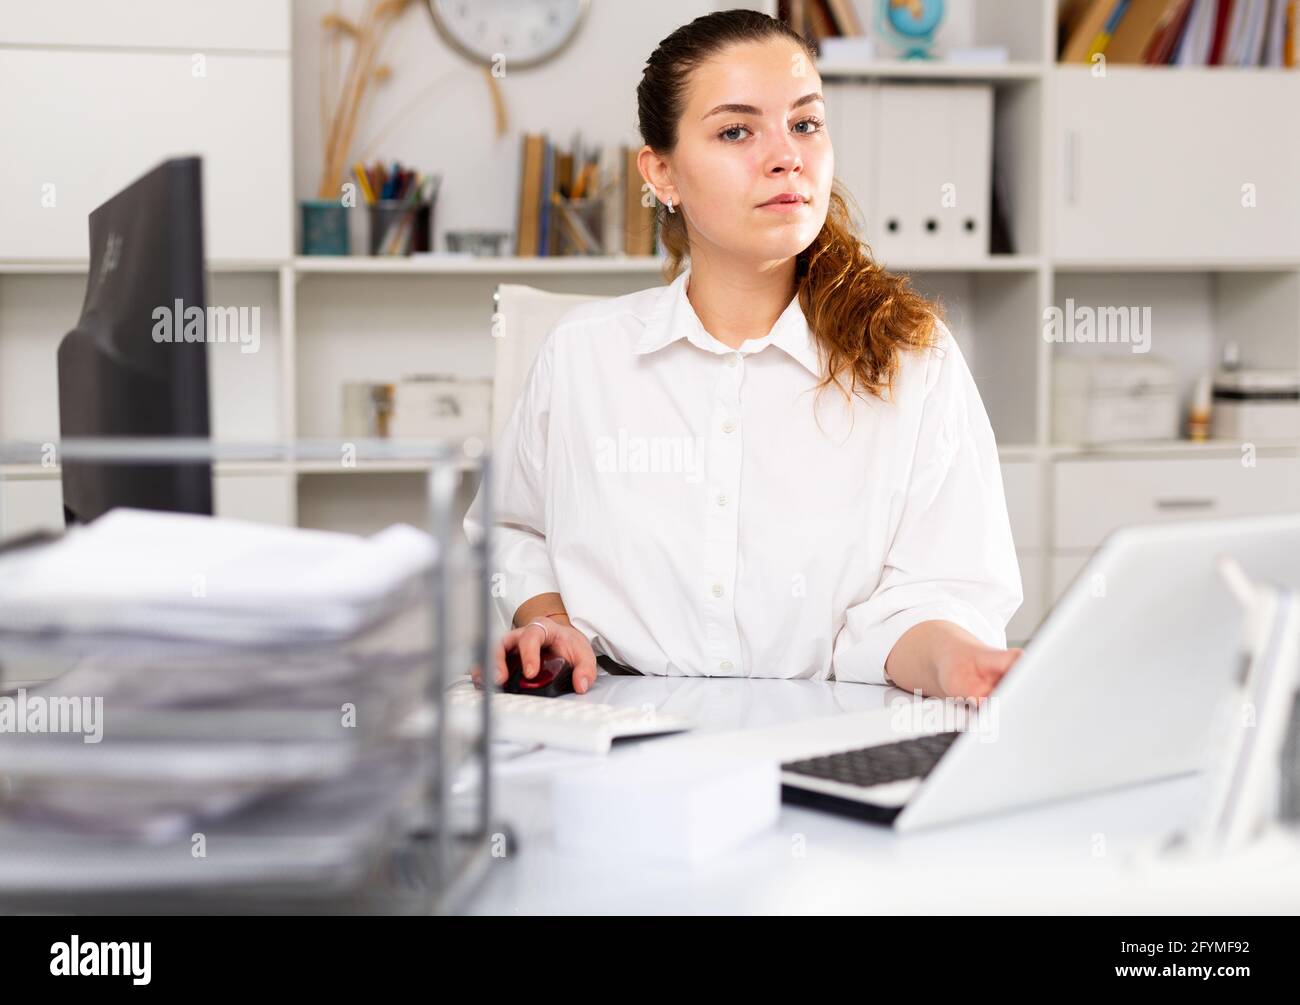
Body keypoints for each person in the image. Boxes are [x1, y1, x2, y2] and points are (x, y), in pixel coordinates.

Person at [464, 9, 1022, 699]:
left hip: (827, 730)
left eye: (806, 123)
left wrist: (955, 662)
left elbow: (933, 598)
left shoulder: (914, 360)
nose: (787, 156)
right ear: (662, 173)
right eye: (736, 130)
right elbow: (513, 526)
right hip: (611, 719)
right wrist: (549, 623)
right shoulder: (581, 355)